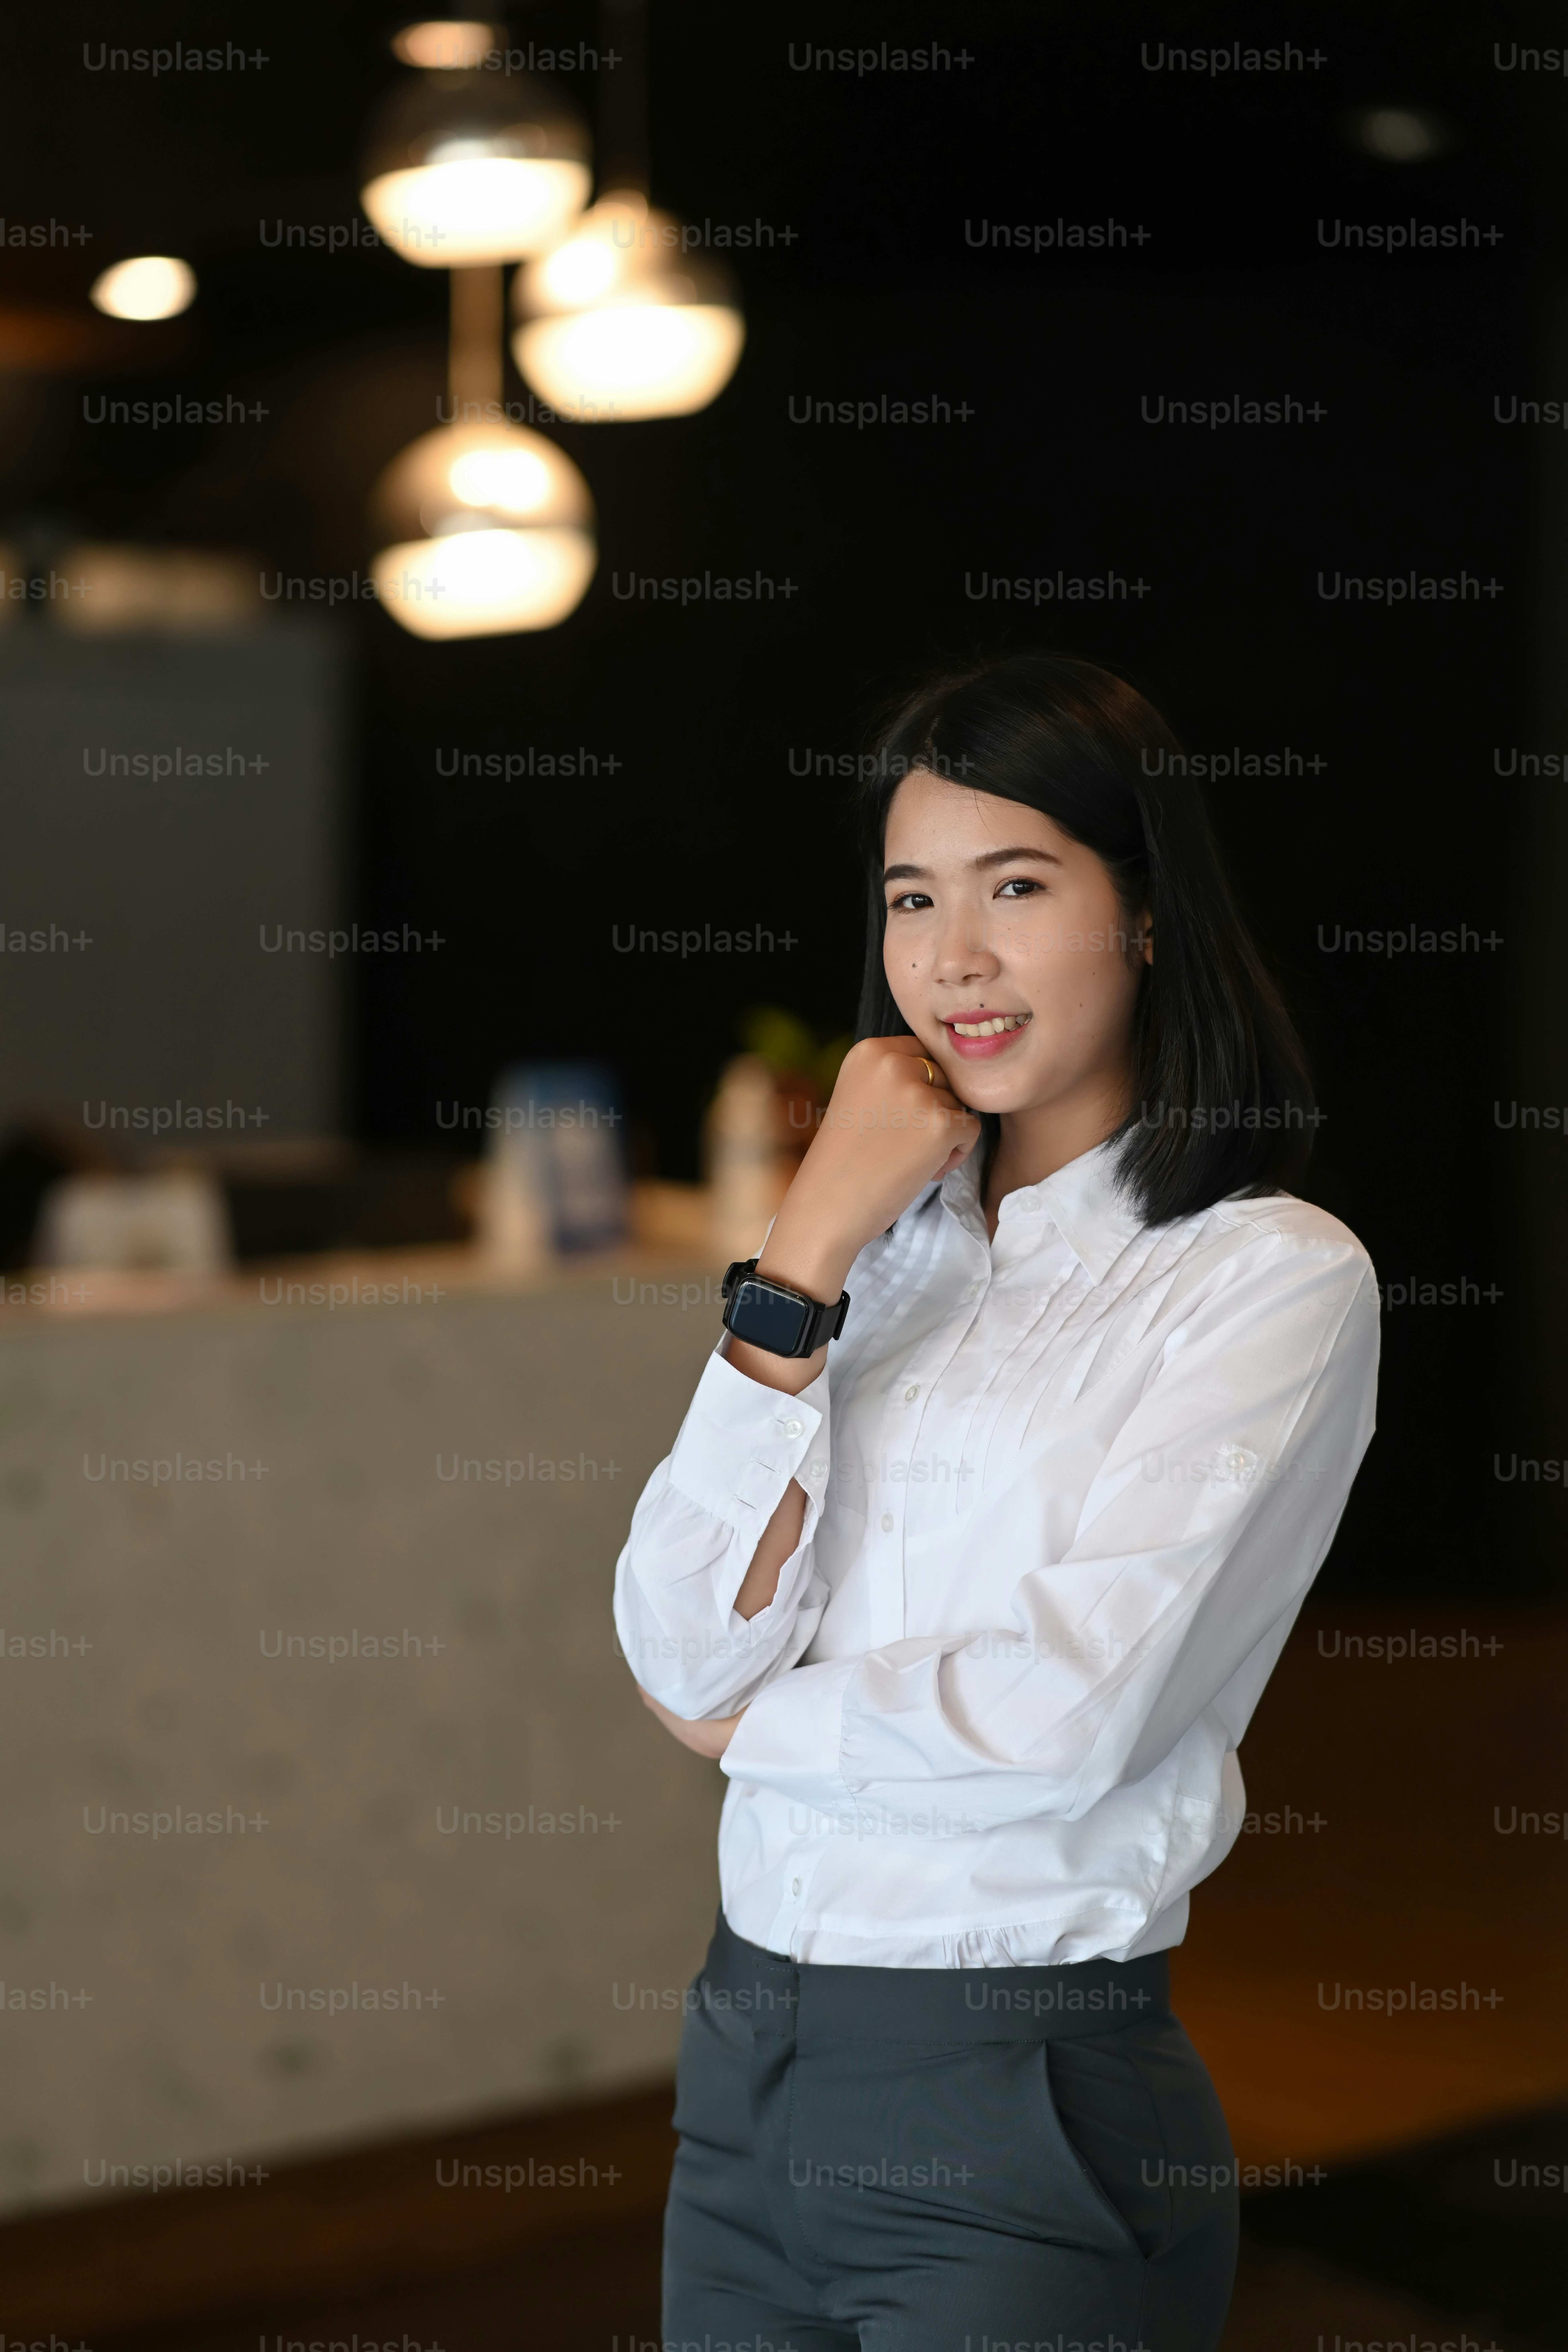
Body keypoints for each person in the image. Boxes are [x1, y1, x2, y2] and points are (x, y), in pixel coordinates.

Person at [613, 653, 1379, 2352]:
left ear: (1149, 911)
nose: (951, 955)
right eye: (913, 897)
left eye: (1016, 887)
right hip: (741, 2068)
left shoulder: (1265, 1278)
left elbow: (1065, 1717)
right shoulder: (871, 1260)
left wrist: (742, 1732)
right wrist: (808, 1245)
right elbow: (673, 1635)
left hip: (1015, 2094)